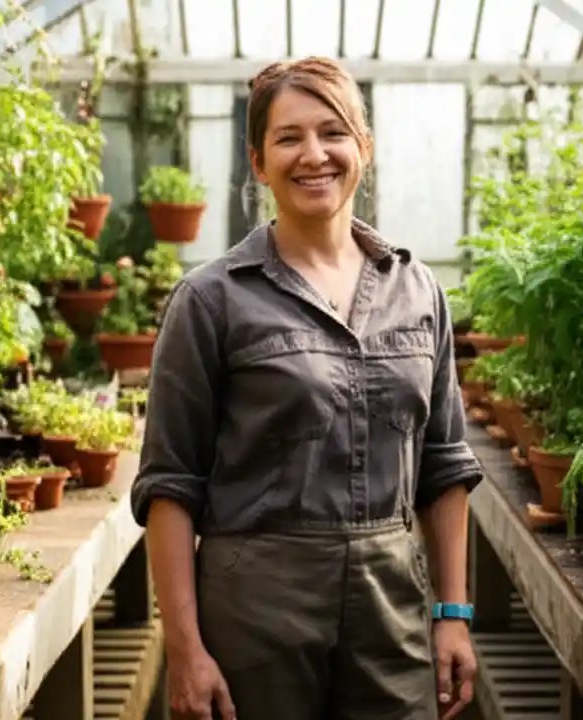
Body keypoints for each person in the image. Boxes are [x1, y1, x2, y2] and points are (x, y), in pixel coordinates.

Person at [131, 56, 483, 720]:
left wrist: (453, 613)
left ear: (364, 149)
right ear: (259, 162)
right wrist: (184, 650)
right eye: (289, 137)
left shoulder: (418, 293)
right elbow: (170, 486)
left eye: (333, 132)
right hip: (254, 610)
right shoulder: (211, 301)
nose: (313, 154)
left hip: (392, 610)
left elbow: (443, 464)